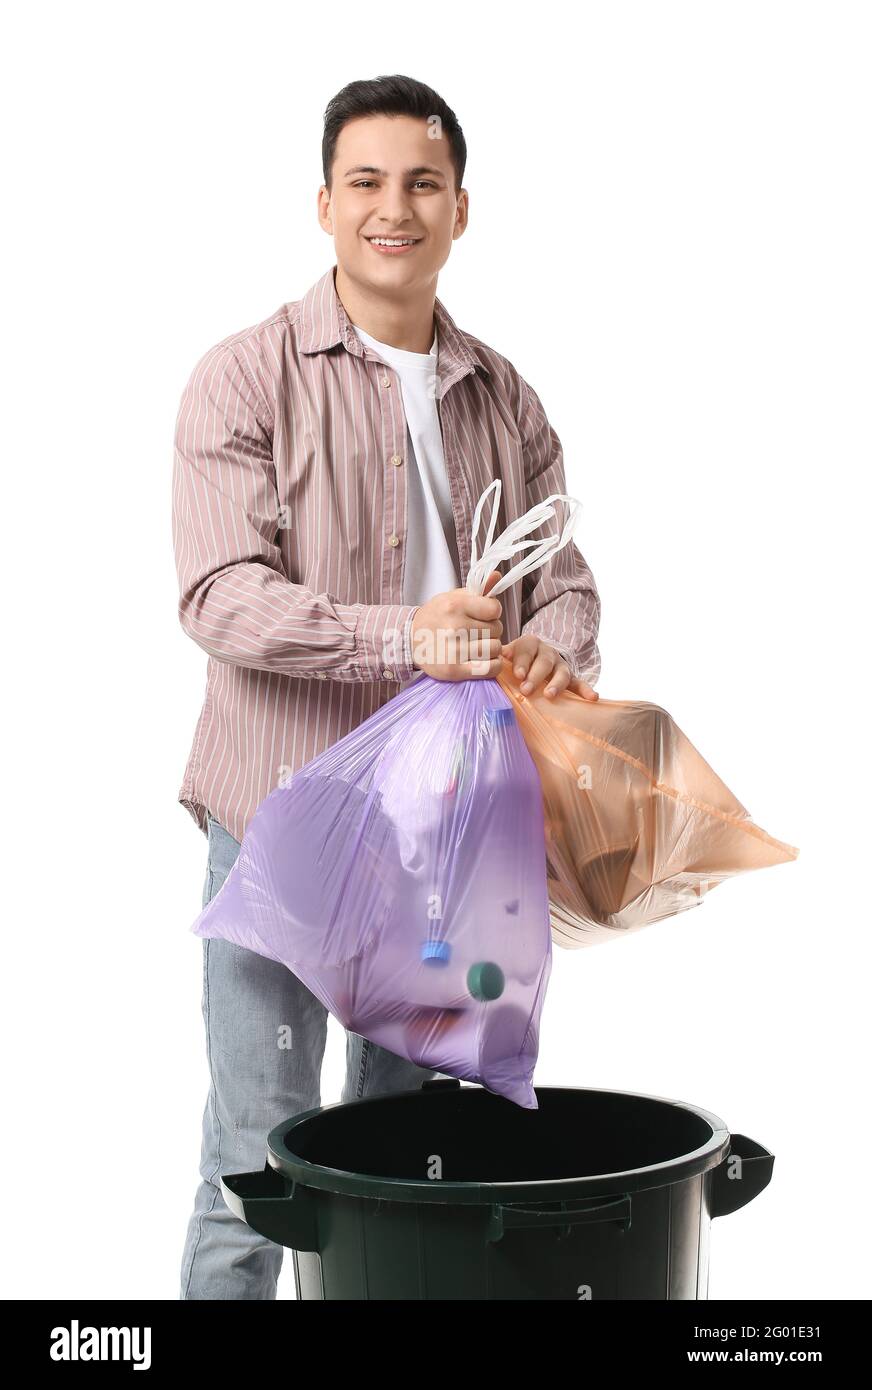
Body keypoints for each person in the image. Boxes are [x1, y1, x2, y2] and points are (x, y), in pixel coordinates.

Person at [173, 73, 602, 1300]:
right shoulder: (246, 376)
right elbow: (218, 595)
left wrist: (547, 653)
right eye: (365, 182)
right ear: (323, 205)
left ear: (459, 208)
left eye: (420, 183)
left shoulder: (497, 390)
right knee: (254, 1162)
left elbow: (563, 581)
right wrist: (401, 638)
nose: (392, 207)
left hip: (443, 835)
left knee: (415, 1158)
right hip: (279, 821)